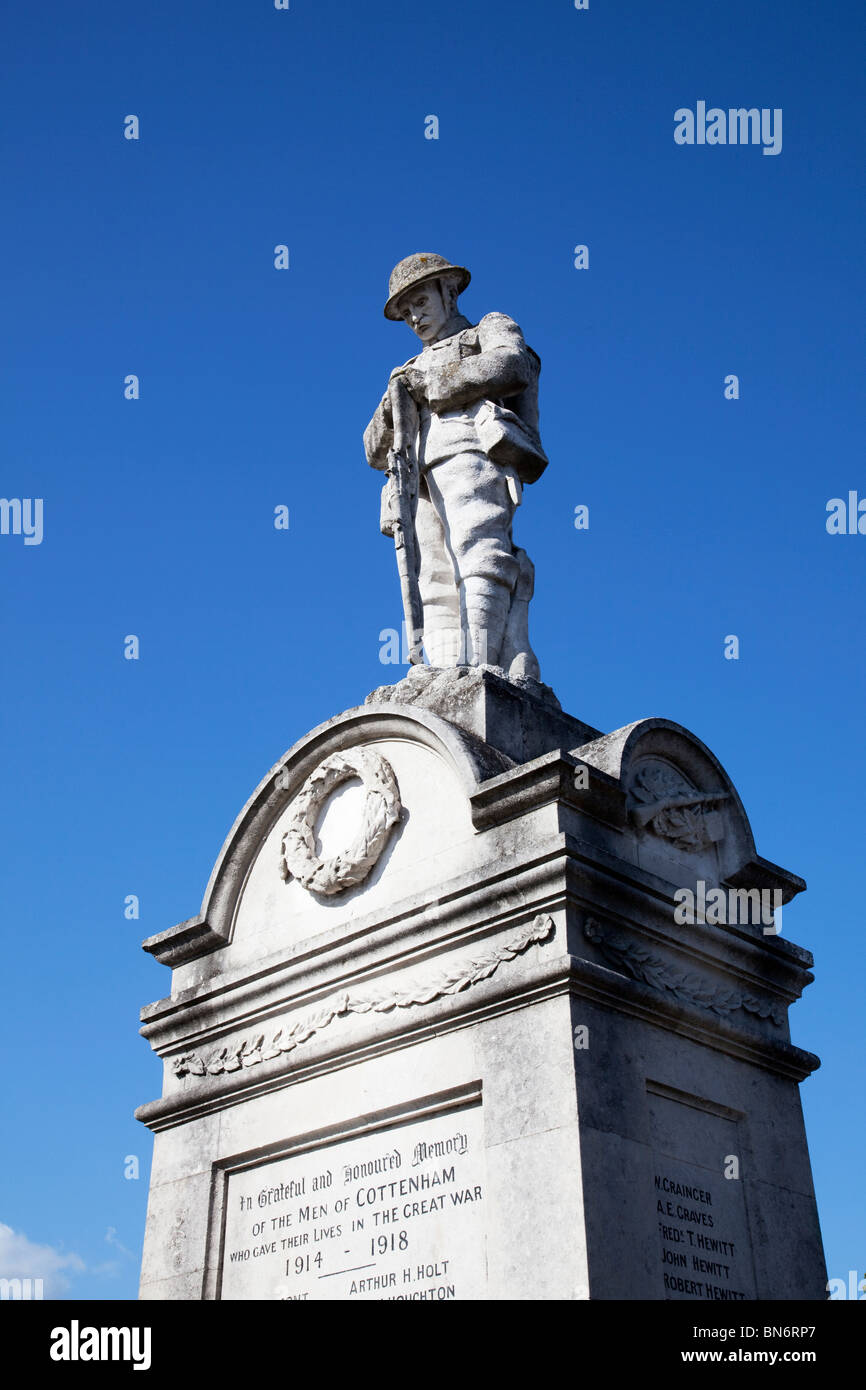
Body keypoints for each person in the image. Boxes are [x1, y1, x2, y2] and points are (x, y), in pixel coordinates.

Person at [364, 253, 548, 677]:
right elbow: (371, 448)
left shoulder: (486, 329)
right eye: (406, 312)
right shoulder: (405, 370)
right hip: (414, 476)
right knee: (431, 575)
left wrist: (433, 385)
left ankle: (480, 664)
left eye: (421, 301)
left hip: (470, 449)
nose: (415, 317)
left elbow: (512, 364)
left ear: (448, 291)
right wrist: (393, 405)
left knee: (478, 551)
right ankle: (448, 672)